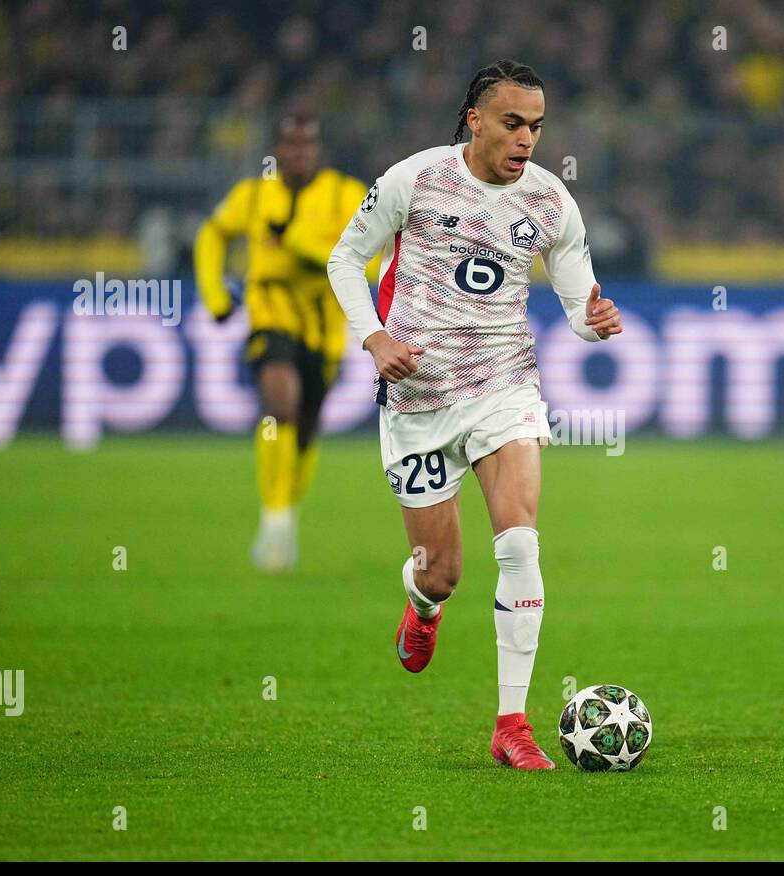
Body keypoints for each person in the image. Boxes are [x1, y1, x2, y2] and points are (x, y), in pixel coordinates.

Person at [327, 60, 622, 769]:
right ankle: (423, 607)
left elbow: (578, 305)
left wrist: (594, 319)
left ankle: (510, 724)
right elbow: (344, 260)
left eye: (539, 126)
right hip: (418, 400)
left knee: (520, 544)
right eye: (515, 123)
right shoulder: (416, 179)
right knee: (442, 574)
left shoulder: (551, 203)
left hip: (505, 388)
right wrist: (374, 338)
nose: (528, 138)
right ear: (476, 121)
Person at [194, 113, 376, 571]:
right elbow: (212, 235)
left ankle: (286, 512)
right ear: (276, 149)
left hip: (325, 329)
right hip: (270, 317)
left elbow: (371, 263)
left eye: (306, 146)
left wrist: (298, 242)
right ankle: (273, 519)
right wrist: (215, 296)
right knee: (280, 405)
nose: (298, 154)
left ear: (317, 150)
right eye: (289, 146)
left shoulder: (345, 195)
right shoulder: (253, 195)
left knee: (308, 426)